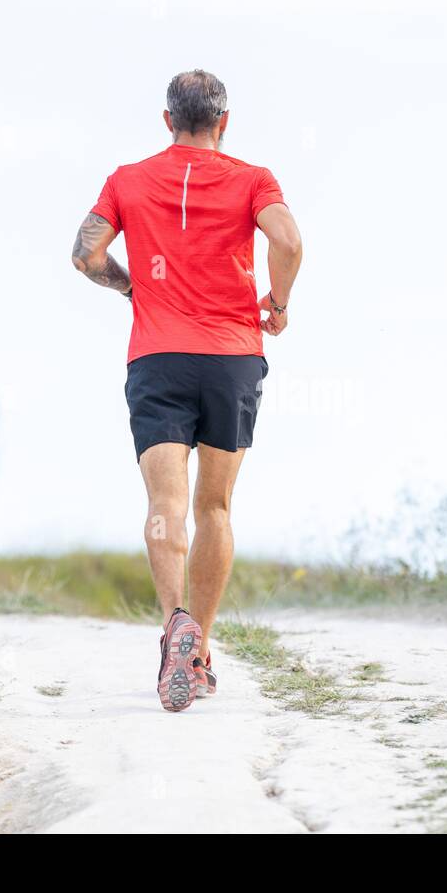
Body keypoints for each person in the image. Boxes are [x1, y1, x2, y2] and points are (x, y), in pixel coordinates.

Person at [70, 69, 303, 712]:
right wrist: (277, 304)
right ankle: (197, 655)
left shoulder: (127, 180)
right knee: (215, 510)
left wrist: (129, 287)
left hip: (158, 358)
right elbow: (287, 239)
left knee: (163, 505)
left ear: (166, 120)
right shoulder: (253, 179)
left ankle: (175, 625)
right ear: (224, 122)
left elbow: (85, 253)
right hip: (231, 358)